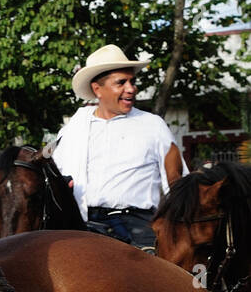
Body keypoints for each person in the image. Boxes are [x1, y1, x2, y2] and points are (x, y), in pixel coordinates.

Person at [52, 44, 185, 250]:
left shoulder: (153, 125)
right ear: (98, 89)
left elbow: (178, 183)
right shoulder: (72, 130)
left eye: (132, 81)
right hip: (83, 226)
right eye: (121, 82)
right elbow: (55, 177)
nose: (131, 89)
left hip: (139, 226)